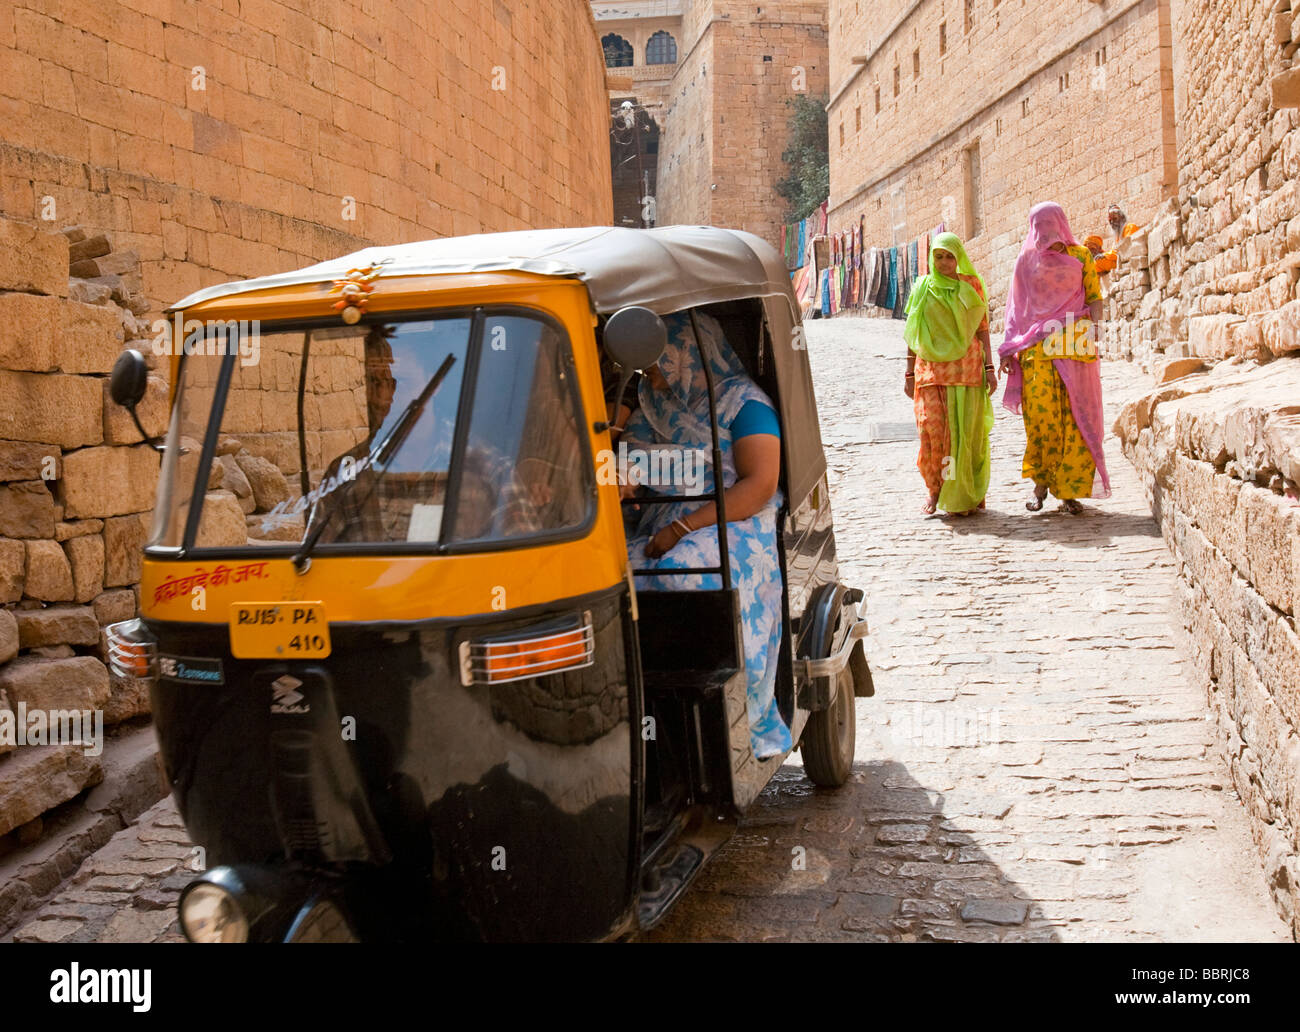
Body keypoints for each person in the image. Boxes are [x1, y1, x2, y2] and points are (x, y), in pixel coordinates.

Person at [622, 309, 790, 760]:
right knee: (609, 575)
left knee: (684, 572)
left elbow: (759, 484)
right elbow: (625, 466)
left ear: (688, 354)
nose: (648, 372)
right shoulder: (655, 405)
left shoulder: (743, 404)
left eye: (657, 361)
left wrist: (683, 527)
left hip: (733, 519)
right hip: (663, 520)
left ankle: (736, 702)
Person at [998, 202, 1111, 514]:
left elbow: (1094, 296)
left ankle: (1069, 491)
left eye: (1049, 224)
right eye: (1038, 225)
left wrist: (1096, 329)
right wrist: (1010, 348)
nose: (1044, 232)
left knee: (1078, 418)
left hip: (1075, 348)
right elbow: (1015, 308)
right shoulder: (1026, 261)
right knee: (1042, 421)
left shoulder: (1080, 257)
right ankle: (1040, 486)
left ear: (1061, 223)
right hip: (1036, 354)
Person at [903, 232, 996, 517]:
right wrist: (908, 372)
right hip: (930, 370)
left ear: (959, 258)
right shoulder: (922, 287)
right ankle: (935, 491)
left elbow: (982, 329)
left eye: (949, 257)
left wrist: (989, 367)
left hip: (966, 369)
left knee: (963, 435)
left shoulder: (971, 285)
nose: (943, 263)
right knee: (933, 433)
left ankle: (963, 492)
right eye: (938, 257)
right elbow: (912, 332)